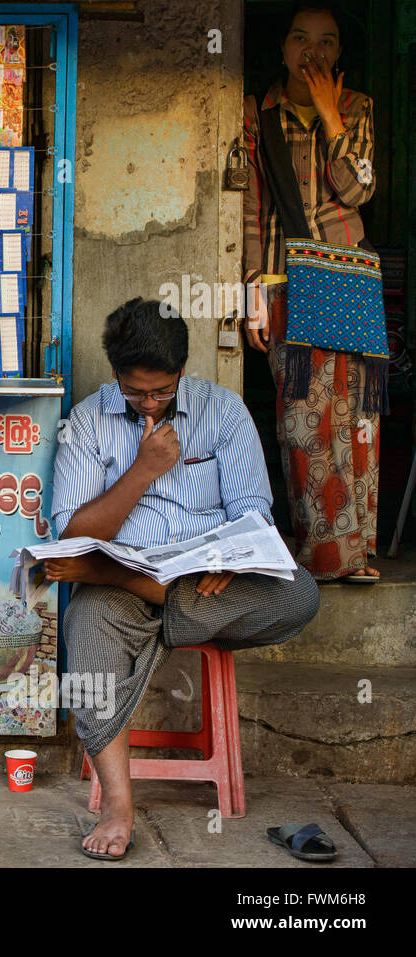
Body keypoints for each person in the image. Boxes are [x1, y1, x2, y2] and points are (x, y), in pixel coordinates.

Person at [48, 298, 321, 860]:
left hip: (205, 583)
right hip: (119, 582)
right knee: (85, 627)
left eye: (162, 392)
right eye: (135, 391)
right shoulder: (86, 421)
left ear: (181, 369)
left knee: (299, 591)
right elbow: (73, 529)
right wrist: (144, 468)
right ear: (115, 372)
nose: (149, 404)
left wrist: (229, 556)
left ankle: (147, 588)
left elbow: (253, 511)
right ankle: (118, 805)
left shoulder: (224, 411)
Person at [242, 2, 380, 582]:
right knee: (304, 420)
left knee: (356, 421)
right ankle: (324, 553)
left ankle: (359, 552)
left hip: (349, 278)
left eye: (326, 42)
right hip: (287, 283)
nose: (312, 53)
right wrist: (252, 288)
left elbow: (356, 191)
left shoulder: (357, 109)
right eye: (301, 39)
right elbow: (250, 207)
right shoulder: (257, 113)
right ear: (282, 48)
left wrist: (330, 117)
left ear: (339, 53)